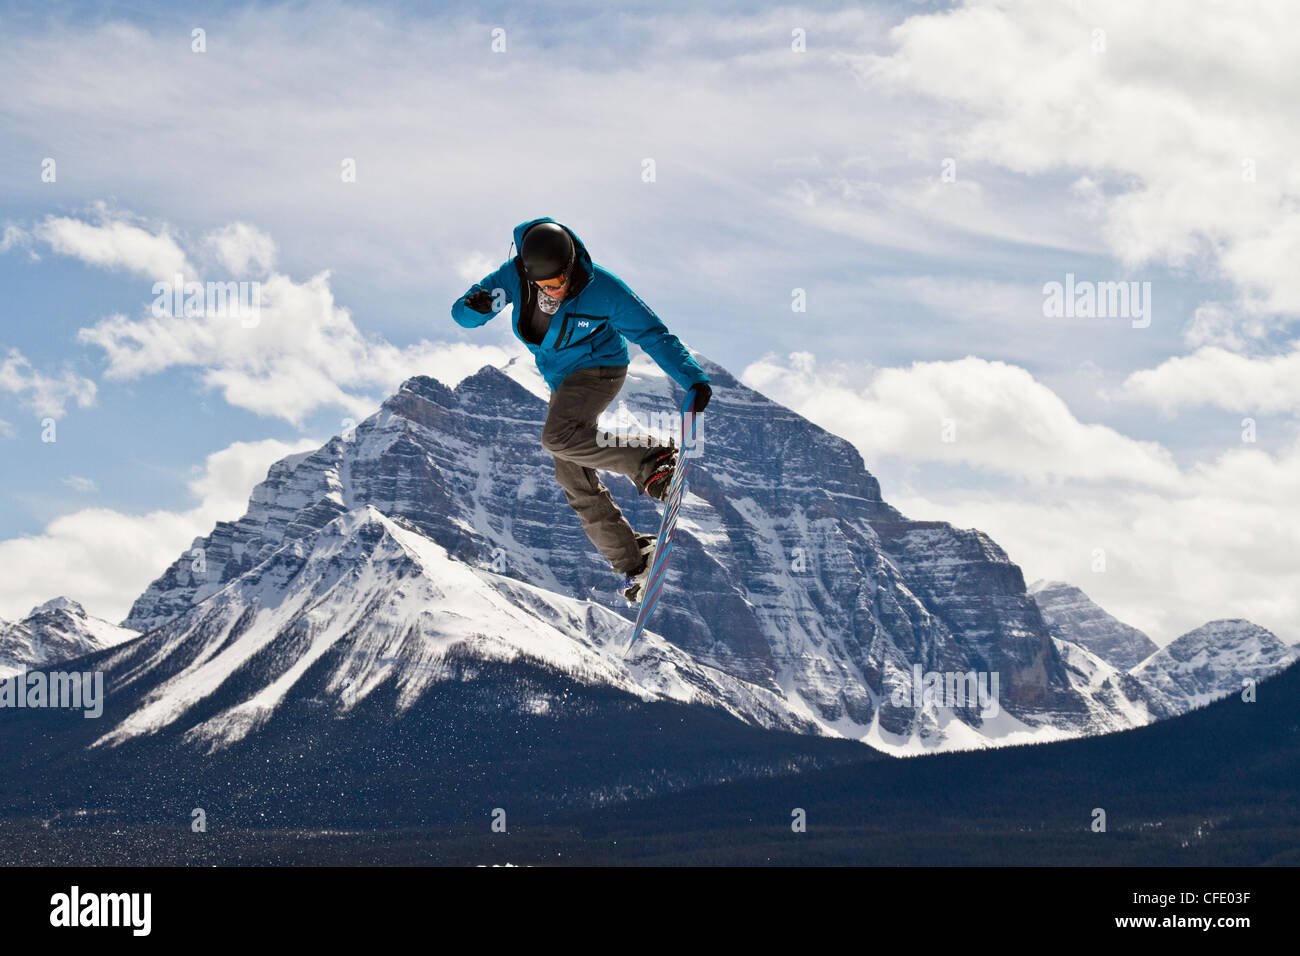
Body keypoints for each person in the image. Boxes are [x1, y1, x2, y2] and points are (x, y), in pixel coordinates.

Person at [451, 217, 712, 601]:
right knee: (571, 474)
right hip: (561, 382)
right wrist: (476, 309)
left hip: (599, 368)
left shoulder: (602, 288)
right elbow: (462, 315)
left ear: (571, 266)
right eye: (543, 285)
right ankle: (633, 557)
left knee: (556, 438)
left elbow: (653, 333)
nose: (552, 292)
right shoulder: (513, 276)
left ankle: (653, 460)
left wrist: (693, 379)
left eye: (558, 283)